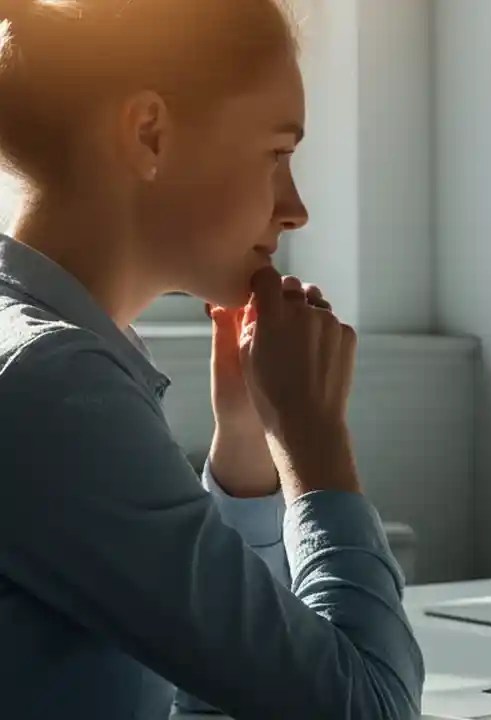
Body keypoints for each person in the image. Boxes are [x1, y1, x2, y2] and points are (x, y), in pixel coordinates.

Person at [0, 1, 425, 718]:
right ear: (149, 133)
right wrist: (314, 444)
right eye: (277, 154)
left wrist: (249, 451)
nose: (296, 209)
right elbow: (368, 708)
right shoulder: (52, 386)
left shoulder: (57, 360)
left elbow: (219, 695)